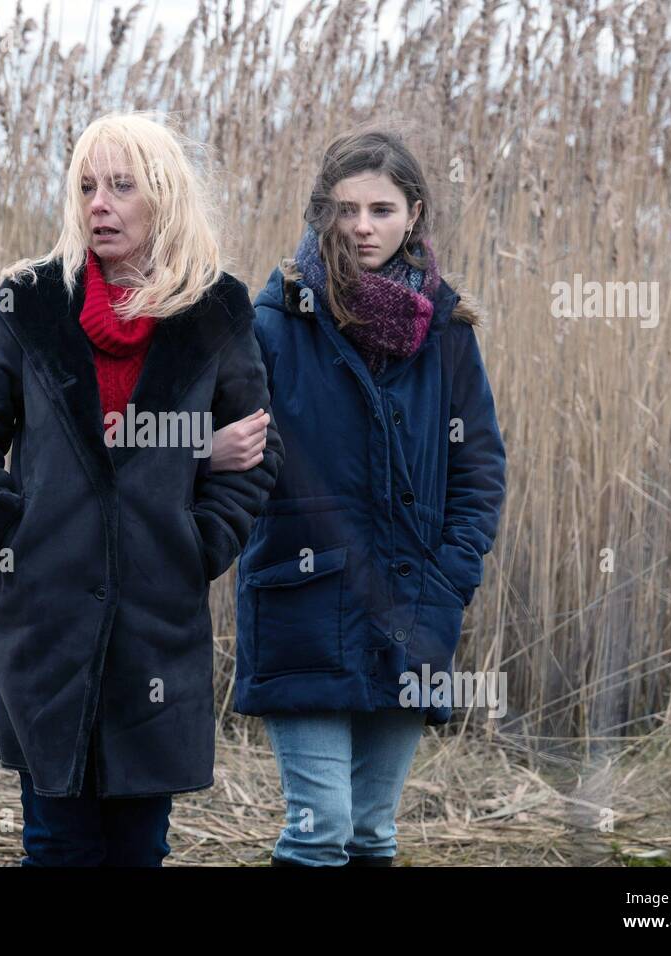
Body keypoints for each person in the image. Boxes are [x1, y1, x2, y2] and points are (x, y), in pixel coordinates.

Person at [0, 112, 283, 866]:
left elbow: (258, 448)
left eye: (122, 186)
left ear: (162, 197)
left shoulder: (216, 311)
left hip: (155, 631)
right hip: (44, 623)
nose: (100, 204)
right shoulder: (28, 304)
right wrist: (6, 527)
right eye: (88, 187)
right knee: (55, 845)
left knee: (137, 849)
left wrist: (199, 543)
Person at [229, 125, 507, 866]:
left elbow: (479, 468)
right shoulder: (274, 324)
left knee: (373, 833)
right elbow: (226, 455)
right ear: (323, 213)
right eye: (346, 209)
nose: (362, 226)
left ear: (413, 213)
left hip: (413, 614)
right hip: (301, 610)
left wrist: (451, 578)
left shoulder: (447, 331)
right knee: (318, 829)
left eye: (381, 209)